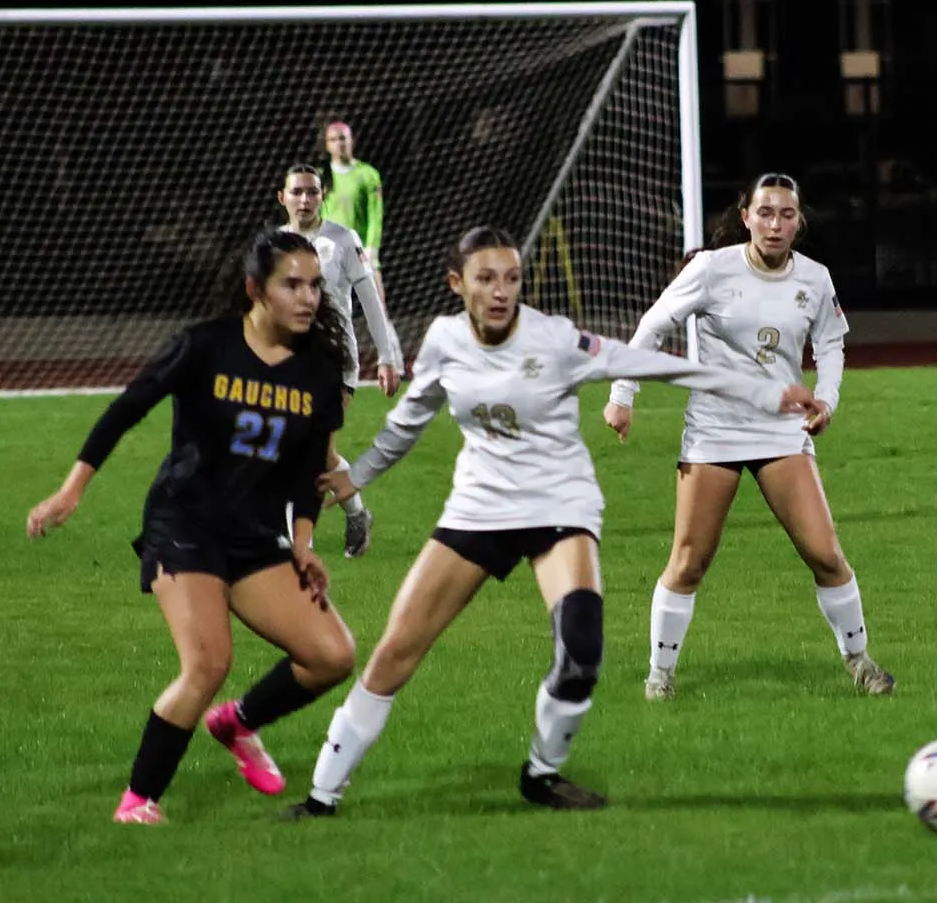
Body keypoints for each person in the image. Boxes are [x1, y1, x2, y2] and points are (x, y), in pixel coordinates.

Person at [284, 225, 815, 818]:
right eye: (485, 278)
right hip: (480, 508)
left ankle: (541, 773)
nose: (500, 290)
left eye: (511, 277)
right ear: (456, 284)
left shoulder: (556, 339)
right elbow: (410, 418)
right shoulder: (443, 341)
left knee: (582, 650)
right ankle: (321, 796)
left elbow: (657, 365)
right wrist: (360, 473)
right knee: (397, 651)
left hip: (559, 506)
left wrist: (768, 395)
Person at [25, 229, 358, 825]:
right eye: (292, 285)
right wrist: (72, 488)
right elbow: (126, 408)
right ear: (256, 290)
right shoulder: (206, 346)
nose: (308, 298)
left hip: (255, 536)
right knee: (208, 661)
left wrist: (303, 545)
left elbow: (310, 467)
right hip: (185, 524)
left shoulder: (320, 369)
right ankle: (137, 801)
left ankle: (236, 723)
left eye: (314, 285)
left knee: (332, 654)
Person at [602, 172, 896, 702]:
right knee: (690, 561)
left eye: (786, 214)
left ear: (798, 220)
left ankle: (859, 660)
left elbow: (831, 346)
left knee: (826, 554)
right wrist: (622, 394)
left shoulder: (815, 278)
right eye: (765, 213)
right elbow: (652, 326)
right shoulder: (711, 270)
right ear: (745, 217)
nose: (775, 224)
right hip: (715, 431)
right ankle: (659, 675)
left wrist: (826, 399)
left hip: (782, 432)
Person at [279, 163, 404, 557]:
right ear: (282, 197)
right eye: (297, 192)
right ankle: (355, 512)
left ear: (323, 197)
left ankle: (299, 545)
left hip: (335, 362)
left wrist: (386, 357)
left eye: (312, 192)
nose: (305, 199)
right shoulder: (273, 246)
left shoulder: (342, 240)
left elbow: (370, 301)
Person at [319, 121, 388, 306]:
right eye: (333, 139)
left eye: (343, 138)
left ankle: (386, 335)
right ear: (327, 145)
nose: (339, 143)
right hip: (331, 250)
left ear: (351, 141)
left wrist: (372, 247)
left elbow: (375, 214)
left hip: (360, 250)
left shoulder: (368, 174)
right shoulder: (321, 175)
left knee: (377, 308)